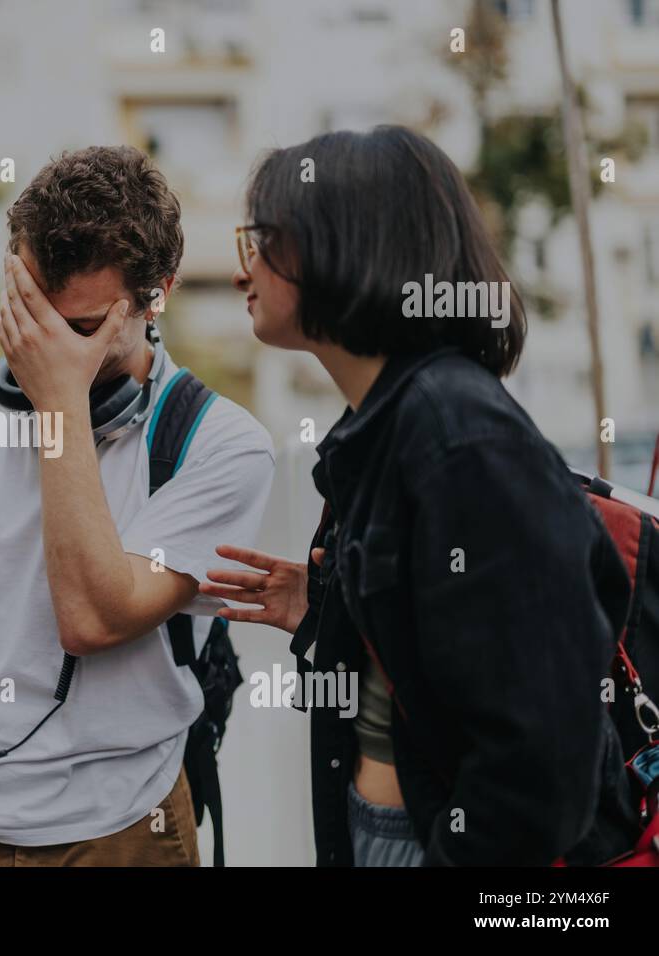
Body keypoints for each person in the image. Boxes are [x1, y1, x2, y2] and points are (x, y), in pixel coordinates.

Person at [202, 125, 638, 866]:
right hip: (382, 823)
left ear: (345, 243)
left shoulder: (458, 436)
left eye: (260, 239)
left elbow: (545, 757)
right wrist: (329, 617)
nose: (242, 269)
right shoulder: (381, 429)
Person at [0, 146, 275, 866]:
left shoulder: (221, 447)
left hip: (124, 830)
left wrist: (58, 399)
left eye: (81, 329)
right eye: (31, 312)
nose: (47, 347)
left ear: (157, 297)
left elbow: (90, 618)